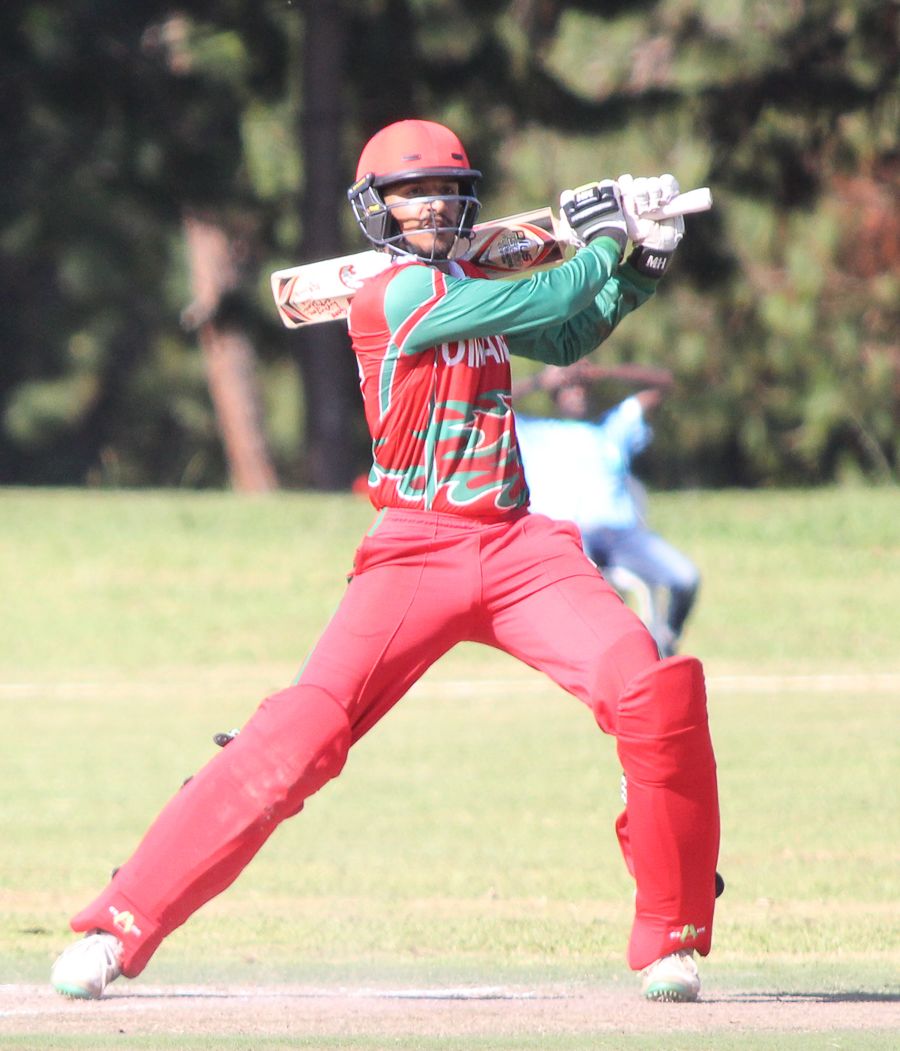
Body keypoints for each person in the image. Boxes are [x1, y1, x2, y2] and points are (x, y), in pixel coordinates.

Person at [50, 119, 719, 1003]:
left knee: (651, 688)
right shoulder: (394, 296)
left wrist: (641, 265)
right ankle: (117, 925)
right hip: (414, 553)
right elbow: (545, 301)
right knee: (299, 735)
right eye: (412, 195)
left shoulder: (466, 281)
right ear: (378, 211)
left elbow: (563, 336)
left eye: (445, 190)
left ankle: (670, 934)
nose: (432, 206)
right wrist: (603, 235)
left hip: (520, 547)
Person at [513, 364, 701, 657]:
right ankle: (611, 651)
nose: (576, 394)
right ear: (554, 396)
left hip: (622, 535)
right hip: (570, 536)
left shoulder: (612, 427)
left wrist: (601, 372)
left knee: (686, 577)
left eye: (581, 388)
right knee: (590, 584)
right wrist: (539, 380)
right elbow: (488, 402)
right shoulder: (534, 431)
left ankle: (666, 641)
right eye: (567, 389)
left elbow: (665, 381)